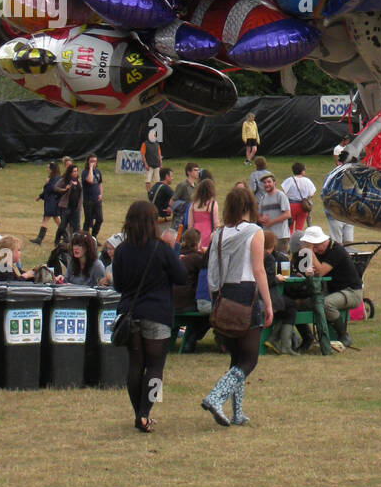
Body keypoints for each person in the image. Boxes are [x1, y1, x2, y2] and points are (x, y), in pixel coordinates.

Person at [111, 200, 188, 434]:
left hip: (130, 312)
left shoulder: (122, 250)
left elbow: (119, 284)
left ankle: (138, 413)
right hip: (158, 313)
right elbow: (182, 277)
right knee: (156, 367)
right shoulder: (161, 248)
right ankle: (146, 413)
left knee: (135, 365)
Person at [203, 185, 273, 427]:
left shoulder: (219, 234)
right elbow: (258, 269)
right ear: (249, 206)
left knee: (236, 357)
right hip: (247, 293)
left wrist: (215, 299)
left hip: (224, 294)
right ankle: (216, 396)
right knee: (249, 359)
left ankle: (237, 412)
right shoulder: (255, 231)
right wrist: (268, 303)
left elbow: (212, 270)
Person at [298, 225, 363, 351]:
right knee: (298, 304)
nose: (315, 251)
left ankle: (343, 335)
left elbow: (320, 272)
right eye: (313, 248)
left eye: (315, 247)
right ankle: (307, 337)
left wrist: (310, 252)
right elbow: (308, 269)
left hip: (351, 292)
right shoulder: (320, 251)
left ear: (323, 242)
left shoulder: (336, 251)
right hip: (332, 291)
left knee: (326, 304)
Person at [255, 172, 292, 256]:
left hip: (280, 236)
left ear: (274, 182)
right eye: (264, 182)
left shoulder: (280, 196)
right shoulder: (263, 198)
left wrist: (271, 222)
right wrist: (260, 219)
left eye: (269, 182)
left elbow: (287, 214)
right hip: (267, 237)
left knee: (281, 260)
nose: (267, 184)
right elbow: (259, 214)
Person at [325, 147, 354, 246]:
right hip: (343, 212)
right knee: (344, 241)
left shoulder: (333, 174)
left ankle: (345, 259)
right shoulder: (351, 174)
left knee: (341, 241)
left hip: (341, 212)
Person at [31, 161, 62, 247]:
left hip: (51, 201)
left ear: (52, 170)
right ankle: (66, 234)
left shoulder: (54, 179)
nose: (47, 169)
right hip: (53, 201)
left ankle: (39, 239)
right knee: (57, 219)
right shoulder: (55, 178)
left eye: (48, 168)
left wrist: (46, 184)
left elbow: (50, 189)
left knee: (46, 220)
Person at [282, 162, 316, 235]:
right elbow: (312, 194)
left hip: (291, 205)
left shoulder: (289, 180)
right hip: (303, 206)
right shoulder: (307, 181)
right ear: (302, 171)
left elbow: (283, 191)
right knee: (299, 228)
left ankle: (290, 241)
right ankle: (298, 242)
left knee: (290, 226)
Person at [187, 177, 219, 252]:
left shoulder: (193, 205)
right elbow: (216, 223)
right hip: (208, 233)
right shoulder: (213, 204)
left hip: (195, 234)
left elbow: (190, 224)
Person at [54, 163, 83, 242]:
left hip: (76, 207)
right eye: (74, 171)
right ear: (70, 172)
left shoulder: (79, 182)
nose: (76, 173)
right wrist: (64, 189)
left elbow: (80, 194)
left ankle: (75, 242)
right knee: (63, 226)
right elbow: (56, 188)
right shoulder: (65, 180)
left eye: (76, 171)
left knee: (76, 227)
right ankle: (57, 240)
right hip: (66, 207)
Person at [171, 163, 200, 231]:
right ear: (188, 172)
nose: (197, 172)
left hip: (193, 218)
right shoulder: (183, 185)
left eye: (198, 170)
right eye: (195, 170)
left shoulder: (197, 186)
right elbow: (172, 202)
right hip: (182, 219)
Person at [81, 155, 104, 238]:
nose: (93, 163)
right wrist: (90, 168)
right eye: (91, 161)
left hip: (97, 199)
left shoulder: (98, 171)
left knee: (100, 219)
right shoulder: (85, 172)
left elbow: (100, 183)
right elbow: (90, 180)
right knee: (88, 220)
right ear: (88, 161)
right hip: (88, 200)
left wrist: (101, 194)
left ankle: (93, 237)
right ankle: (84, 237)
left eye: (95, 161)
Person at [140, 127, 162, 194]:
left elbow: (159, 155)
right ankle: (149, 192)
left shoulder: (157, 144)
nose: (155, 136)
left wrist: (161, 164)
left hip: (156, 164)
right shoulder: (144, 144)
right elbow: (143, 155)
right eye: (154, 135)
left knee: (157, 181)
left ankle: (156, 192)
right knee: (148, 180)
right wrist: (145, 164)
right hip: (149, 165)